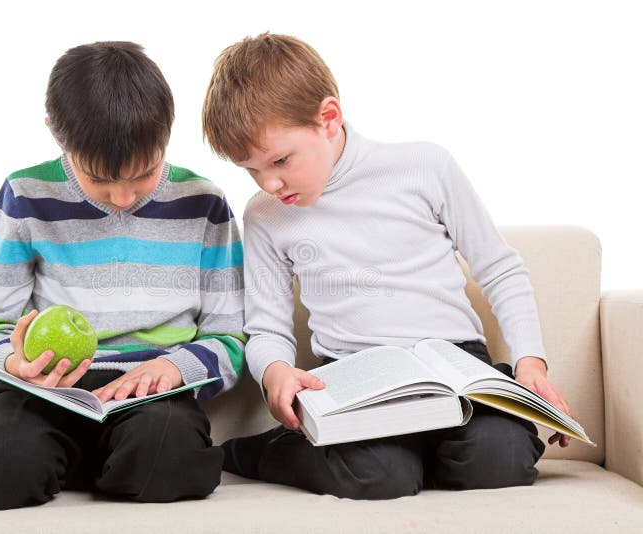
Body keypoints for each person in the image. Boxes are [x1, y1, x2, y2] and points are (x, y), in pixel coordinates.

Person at [201, 32, 571, 500]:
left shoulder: (424, 166)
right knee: (379, 476)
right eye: (251, 169)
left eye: (280, 160)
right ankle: (258, 452)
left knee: (499, 458)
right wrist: (275, 371)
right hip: (357, 376)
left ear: (328, 118)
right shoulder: (265, 214)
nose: (270, 182)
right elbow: (267, 326)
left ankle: (424, 455)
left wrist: (529, 364)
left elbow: (500, 270)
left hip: (455, 367)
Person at [0, 41, 245, 510]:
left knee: (168, 457)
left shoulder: (205, 203)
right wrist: (14, 364)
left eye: (142, 174)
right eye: (100, 179)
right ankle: (75, 460)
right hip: (46, 395)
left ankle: (91, 462)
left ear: (166, 133)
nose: (122, 198)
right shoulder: (26, 194)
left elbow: (229, 336)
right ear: (57, 136)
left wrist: (173, 367)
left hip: (152, 400)